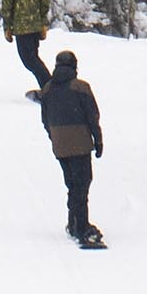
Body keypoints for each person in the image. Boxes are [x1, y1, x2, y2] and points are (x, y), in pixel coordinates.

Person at [37, 49, 106, 246]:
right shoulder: (81, 88)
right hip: (80, 144)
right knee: (82, 184)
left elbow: (45, 119)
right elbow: (93, 117)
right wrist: (98, 140)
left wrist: (55, 138)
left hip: (60, 145)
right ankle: (82, 227)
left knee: (72, 185)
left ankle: (73, 222)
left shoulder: (48, 89)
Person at [0, 0, 50, 97]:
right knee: (34, 58)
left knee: (30, 61)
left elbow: (7, 7)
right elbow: (44, 1)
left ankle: (50, 88)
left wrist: (7, 28)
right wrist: (42, 22)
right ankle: (49, 87)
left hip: (22, 30)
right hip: (35, 28)